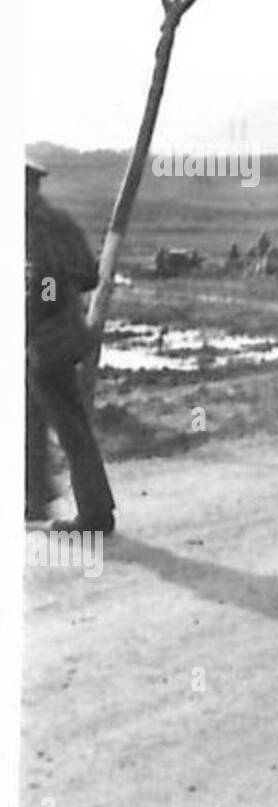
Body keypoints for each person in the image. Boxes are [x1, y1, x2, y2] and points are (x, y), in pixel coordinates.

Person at [25, 157, 116, 533]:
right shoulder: (62, 222)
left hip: (46, 340)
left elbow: (44, 281)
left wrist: (34, 314)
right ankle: (33, 499)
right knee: (32, 415)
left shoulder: (33, 227)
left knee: (70, 426)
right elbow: (90, 275)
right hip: (66, 333)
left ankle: (95, 514)